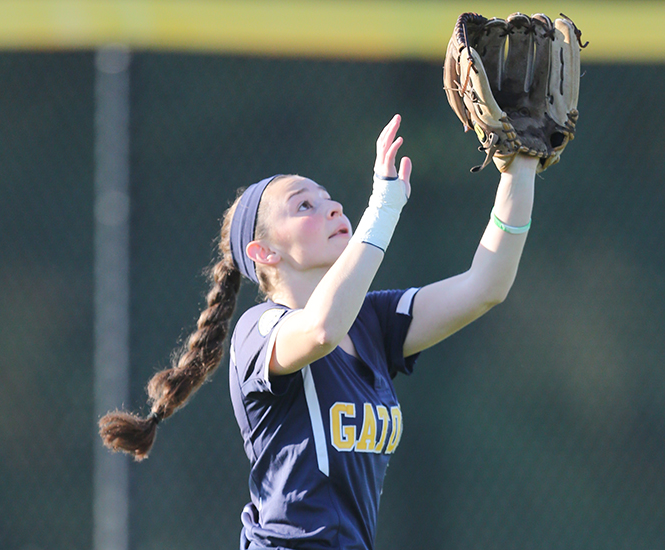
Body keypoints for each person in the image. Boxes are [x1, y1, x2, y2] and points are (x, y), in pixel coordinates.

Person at [99, 114, 536, 550]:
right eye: (303, 205)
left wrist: (521, 166)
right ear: (264, 252)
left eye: (327, 199)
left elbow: (486, 286)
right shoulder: (258, 330)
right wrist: (382, 210)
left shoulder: (372, 321)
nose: (332, 207)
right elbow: (321, 329)